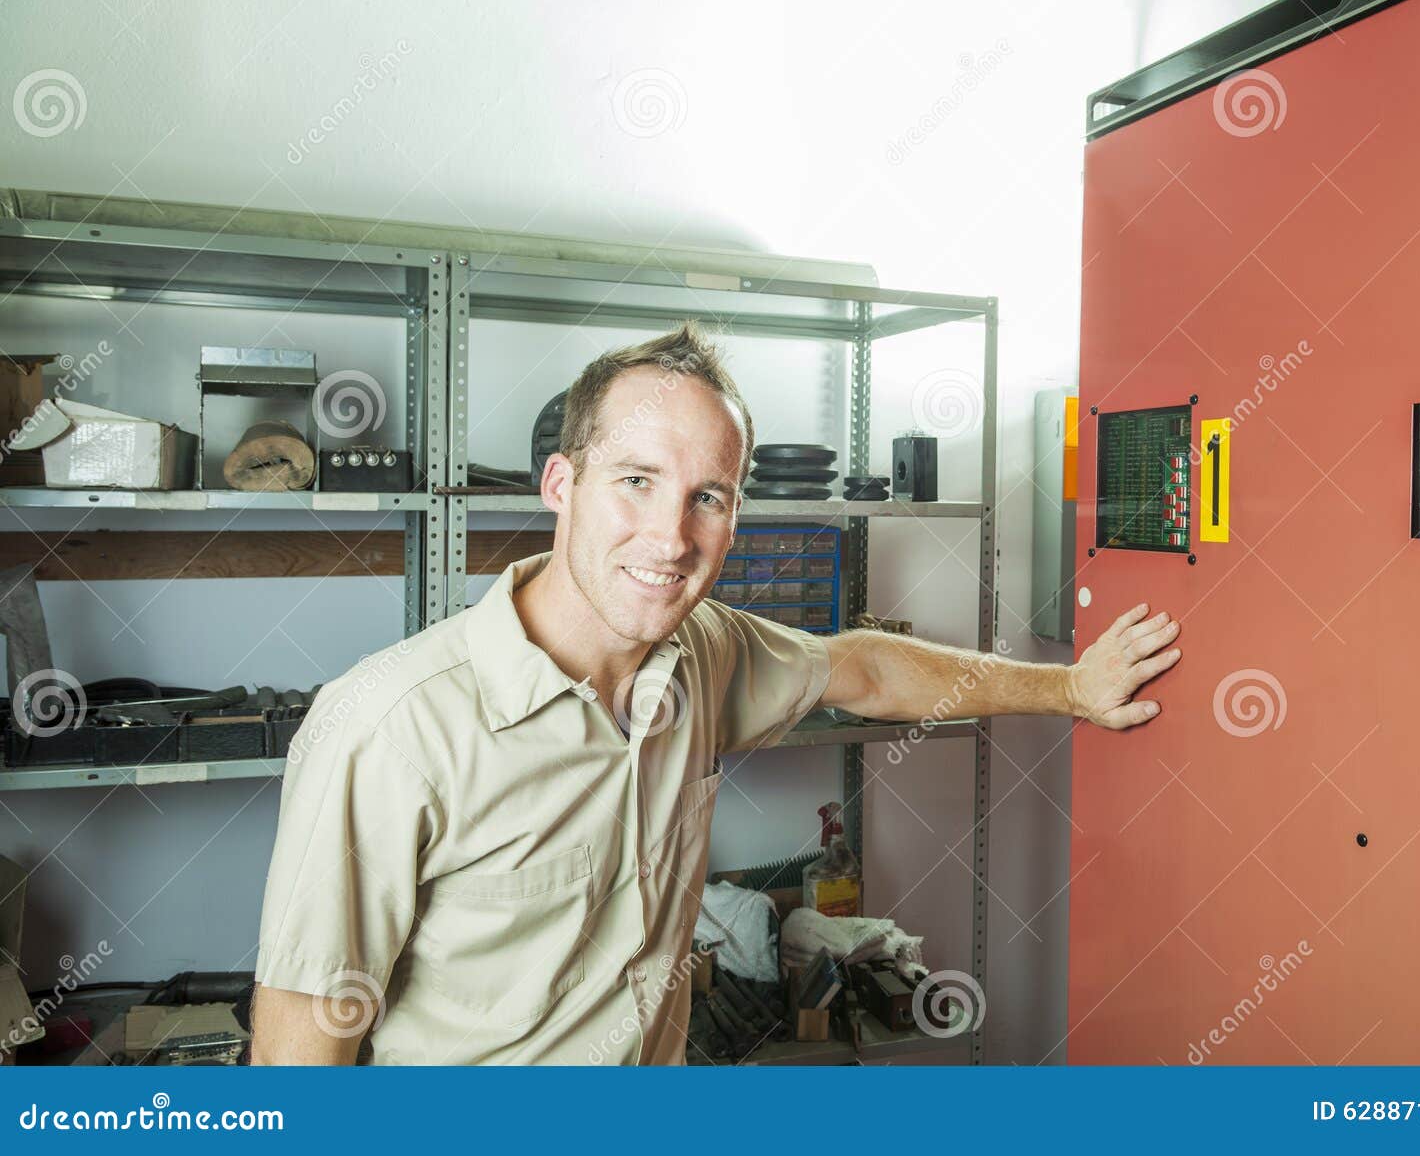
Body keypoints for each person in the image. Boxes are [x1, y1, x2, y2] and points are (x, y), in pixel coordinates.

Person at [250, 322, 1180, 1064]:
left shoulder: (701, 653)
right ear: (561, 483)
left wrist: (1071, 686)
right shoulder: (388, 727)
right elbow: (301, 1048)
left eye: (709, 497)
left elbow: (864, 667)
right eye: (636, 481)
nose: (670, 538)